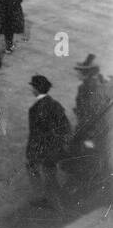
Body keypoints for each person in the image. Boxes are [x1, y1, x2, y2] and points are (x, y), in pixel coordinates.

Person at [69, 54, 113, 195]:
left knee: (88, 157)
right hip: (93, 129)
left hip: (91, 130)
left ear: (85, 73)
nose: (77, 73)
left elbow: (93, 113)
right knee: (96, 156)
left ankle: (88, 188)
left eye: (80, 71)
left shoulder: (89, 88)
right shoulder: (93, 84)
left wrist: (88, 136)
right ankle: (98, 182)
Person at [26, 74, 71, 211]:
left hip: (44, 150)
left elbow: (36, 135)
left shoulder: (35, 109)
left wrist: (31, 152)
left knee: (42, 173)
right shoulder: (55, 104)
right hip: (56, 148)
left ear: (35, 89)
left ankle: (54, 204)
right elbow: (66, 127)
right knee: (50, 174)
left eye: (32, 87)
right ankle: (53, 200)